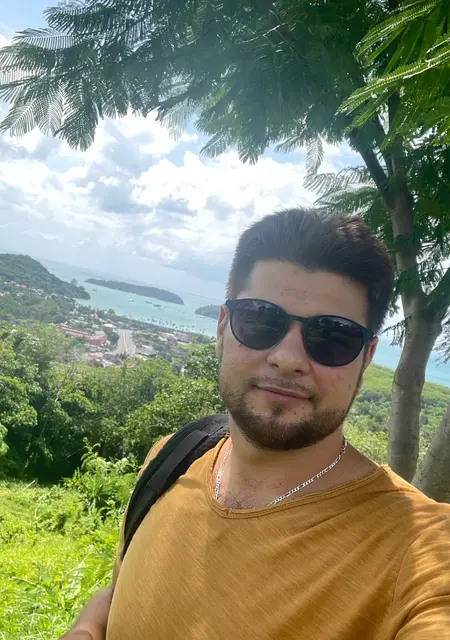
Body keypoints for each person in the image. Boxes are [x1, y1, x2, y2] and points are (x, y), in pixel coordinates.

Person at [61, 208, 450, 640]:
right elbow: (121, 594)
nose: (287, 358)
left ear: (367, 357)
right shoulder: (171, 457)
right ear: (222, 329)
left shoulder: (420, 553)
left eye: (332, 336)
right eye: (261, 319)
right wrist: (88, 627)